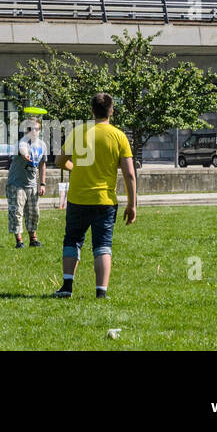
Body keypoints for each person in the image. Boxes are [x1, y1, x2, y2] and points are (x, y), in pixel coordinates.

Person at [53, 92, 136, 298]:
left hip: (77, 198)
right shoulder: (119, 136)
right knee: (103, 245)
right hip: (105, 201)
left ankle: (67, 287)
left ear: (92, 110)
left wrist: (76, 168)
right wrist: (132, 204)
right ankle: (101, 292)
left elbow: (59, 161)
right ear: (111, 111)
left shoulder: (79, 132)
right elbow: (130, 174)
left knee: (72, 240)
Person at [7, 112, 47, 248]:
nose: (33, 132)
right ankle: (19, 241)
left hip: (32, 185)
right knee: (17, 212)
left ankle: (33, 240)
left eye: (36, 129)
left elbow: (42, 165)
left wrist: (42, 183)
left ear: (39, 130)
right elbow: (23, 150)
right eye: (30, 129)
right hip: (17, 184)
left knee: (34, 212)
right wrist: (26, 156)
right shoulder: (22, 142)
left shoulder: (42, 145)